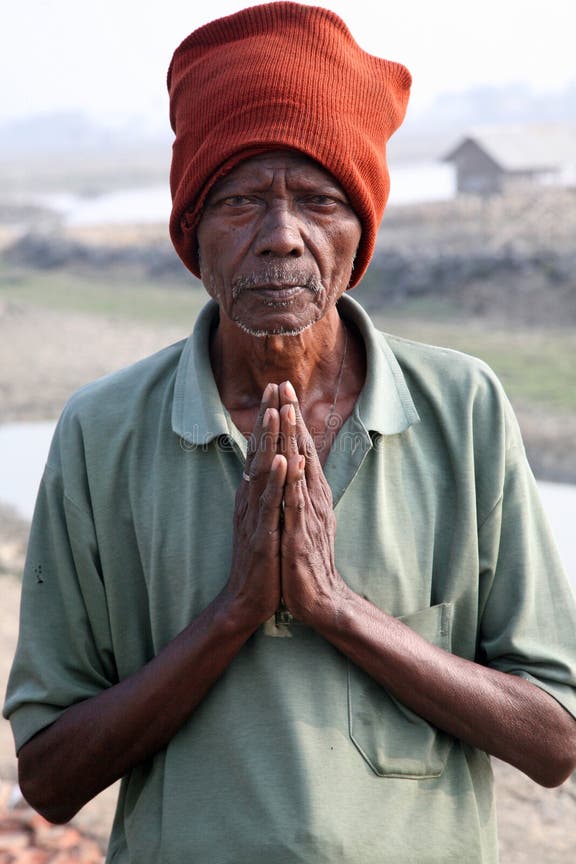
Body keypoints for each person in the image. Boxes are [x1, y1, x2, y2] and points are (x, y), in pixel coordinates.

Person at [4, 3, 576, 862]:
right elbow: (49, 779)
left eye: (318, 199)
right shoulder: (103, 430)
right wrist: (235, 613)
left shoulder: (464, 406)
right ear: (191, 234)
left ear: (362, 232)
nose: (280, 238)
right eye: (239, 200)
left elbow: (553, 739)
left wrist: (334, 607)